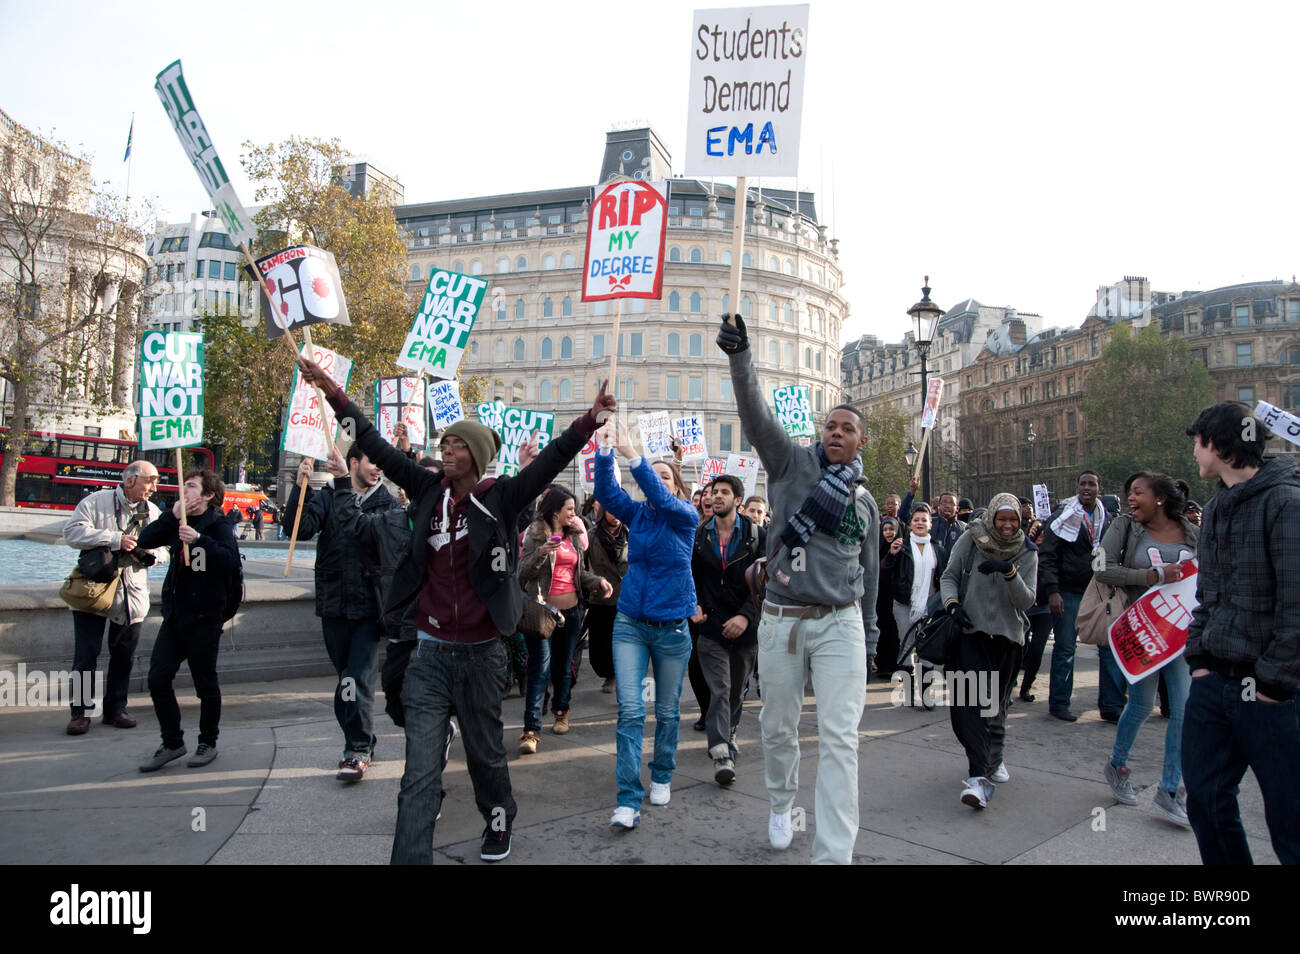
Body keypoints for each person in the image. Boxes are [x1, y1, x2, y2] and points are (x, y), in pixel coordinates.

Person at [296, 353, 615, 864]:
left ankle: (497, 820)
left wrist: (589, 421)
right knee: (419, 773)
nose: (445, 450)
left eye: (456, 444)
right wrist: (331, 390)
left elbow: (554, 458)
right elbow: (373, 440)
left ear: (478, 455)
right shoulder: (425, 490)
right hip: (428, 655)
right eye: (443, 443)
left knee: (486, 758)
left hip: (482, 656)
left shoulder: (503, 498)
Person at [718, 314, 880, 864]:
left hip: (841, 623)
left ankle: (834, 854)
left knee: (840, 740)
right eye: (829, 425)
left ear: (861, 442)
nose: (835, 432)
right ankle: (782, 801)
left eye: (846, 428)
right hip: (783, 621)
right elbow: (756, 416)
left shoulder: (864, 500)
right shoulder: (789, 465)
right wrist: (741, 358)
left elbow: (871, 575)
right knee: (778, 729)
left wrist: (872, 634)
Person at [1181, 403, 1300, 864]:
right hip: (1215, 683)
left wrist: (1274, 683)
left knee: (1289, 821)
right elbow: (1208, 596)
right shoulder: (1213, 510)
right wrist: (1200, 662)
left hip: (1273, 693)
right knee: (1206, 803)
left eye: (1197, 442)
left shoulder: (1286, 503)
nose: (1194, 451)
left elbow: (1296, 604)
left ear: (1218, 445)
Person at [594, 418, 698, 829]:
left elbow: (658, 493)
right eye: (652, 476)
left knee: (669, 712)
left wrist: (634, 456)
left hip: (672, 628)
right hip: (631, 623)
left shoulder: (685, 516)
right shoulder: (637, 516)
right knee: (632, 710)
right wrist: (605, 451)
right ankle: (627, 799)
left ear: (675, 485)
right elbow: (606, 493)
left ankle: (663, 772)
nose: (657, 481)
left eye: (664, 476)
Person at [281, 444, 398, 782]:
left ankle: (357, 751)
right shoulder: (327, 495)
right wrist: (298, 489)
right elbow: (298, 530)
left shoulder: (386, 502)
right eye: (373, 461)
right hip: (333, 602)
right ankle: (361, 739)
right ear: (354, 463)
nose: (378, 469)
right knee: (344, 681)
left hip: (368, 607)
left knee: (357, 678)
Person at [1096, 472, 1197, 826]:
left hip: (1181, 635)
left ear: (1160, 499)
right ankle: (1117, 764)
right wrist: (1152, 577)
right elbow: (1101, 568)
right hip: (1142, 629)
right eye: (1129, 493)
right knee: (1140, 704)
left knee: (1184, 709)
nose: (1130, 498)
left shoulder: (1191, 532)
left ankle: (1171, 790)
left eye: (1138, 492)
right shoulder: (1124, 527)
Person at [136, 470, 239, 771]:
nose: (185, 490)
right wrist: (172, 515)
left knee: (205, 683)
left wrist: (200, 540)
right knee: (158, 677)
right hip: (176, 616)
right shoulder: (177, 520)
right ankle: (172, 741)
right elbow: (146, 539)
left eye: (191, 486)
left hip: (205, 617)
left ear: (208, 495)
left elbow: (230, 563)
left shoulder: (219, 526)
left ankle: (208, 741)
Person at [940, 494, 1037, 809]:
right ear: (992, 518)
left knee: (995, 711)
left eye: (1013, 520)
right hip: (971, 634)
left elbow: (1026, 601)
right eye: (1002, 519)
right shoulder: (971, 539)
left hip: (1008, 640)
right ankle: (977, 778)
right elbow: (949, 576)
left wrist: (1009, 572)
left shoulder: (1027, 550)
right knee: (969, 709)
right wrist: (952, 605)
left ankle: (994, 759)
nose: (1007, 526)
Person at [62, 460, 164, 735]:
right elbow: (71, 533)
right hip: (94, 592)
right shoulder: (95, 502)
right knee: (85, 656)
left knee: (124, 656)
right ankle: (80, 713)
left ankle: (116, 709)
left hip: (132, 597)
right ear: (131, 480)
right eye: (150, 480)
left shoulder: (153, 511)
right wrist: (115, 539)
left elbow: (165, 549)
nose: (155, 487)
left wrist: (150, 556)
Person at [518, 487, 612, 753]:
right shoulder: (534, 535)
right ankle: (531, 730)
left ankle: (562, 711)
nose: (574, 514)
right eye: (569, 509)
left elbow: (579, 574)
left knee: (563, 668)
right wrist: (540, 554)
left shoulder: (573, 536)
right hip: (541, 615)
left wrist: (598, 581)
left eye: (574, 509)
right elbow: (521, 575)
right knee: (539, 671)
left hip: (571, 614)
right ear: (555, 510)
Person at [690, 474, 765, 785]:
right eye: (712, 492)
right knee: (719, 689)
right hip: (710, 627)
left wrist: (746, 617)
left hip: (745, 628)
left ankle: (729, 732)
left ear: (738, 501)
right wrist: (692, 605)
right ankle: (721, 751)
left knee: (735, 691)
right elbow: (688, 575)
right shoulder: (698, 536)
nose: (715, 497)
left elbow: (766, 581)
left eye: (723, 492)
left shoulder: (758, 535)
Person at [1041, 471, 1126, 722]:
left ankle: (1111, 706)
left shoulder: (1109, 520)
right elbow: (1048, 557)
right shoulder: (1060, 519)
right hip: (1068, 592)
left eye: (1092, 484)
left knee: (1108, 649)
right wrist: (1053, 591)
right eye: (1083, 483)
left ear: (1099, 489)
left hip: (1101, 593)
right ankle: (1059, 704)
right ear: (1077, 487)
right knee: (1066, 649)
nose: (1087, 487)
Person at [886, 504, 948, 708]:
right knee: (906, 646)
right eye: (916, 520)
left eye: (924, 520)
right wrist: (891, 554)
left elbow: (944, 577)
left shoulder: (937, 549)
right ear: (910, 525)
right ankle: (909, 692)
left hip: (929, 607)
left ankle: (927, 693)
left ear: (930, 524)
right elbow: (885, 571)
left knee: (927, 648)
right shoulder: (902, 546)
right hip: (904, 604)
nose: (920, 523)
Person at [583, 500, 628, 695]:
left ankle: (617, 676)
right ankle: (607, 672)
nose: (615, 514)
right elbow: (582, 567)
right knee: (599, 650)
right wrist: (593, 582)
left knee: (623, 643)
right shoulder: (591, 536)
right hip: (600, 597)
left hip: (626, 599)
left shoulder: (631, 534)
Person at [1016, 518, 1052, 703]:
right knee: (1019, 647)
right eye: (1037, 531)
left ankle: (1026, 687)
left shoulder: (1053, 552)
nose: (1040, 535)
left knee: (1037, 649)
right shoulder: (1023, 550)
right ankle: (1010, 682)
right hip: (1024, 607)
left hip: (1045, 608)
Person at [874, 517, 903, 680]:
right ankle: (882, 665)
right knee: (882, 629)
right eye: (885, 530)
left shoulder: (903, 548)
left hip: (897, 596)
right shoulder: (878, 548)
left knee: (895, 631)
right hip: (881, 597)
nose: (888, 532)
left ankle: (895, 664)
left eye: (891, 529)